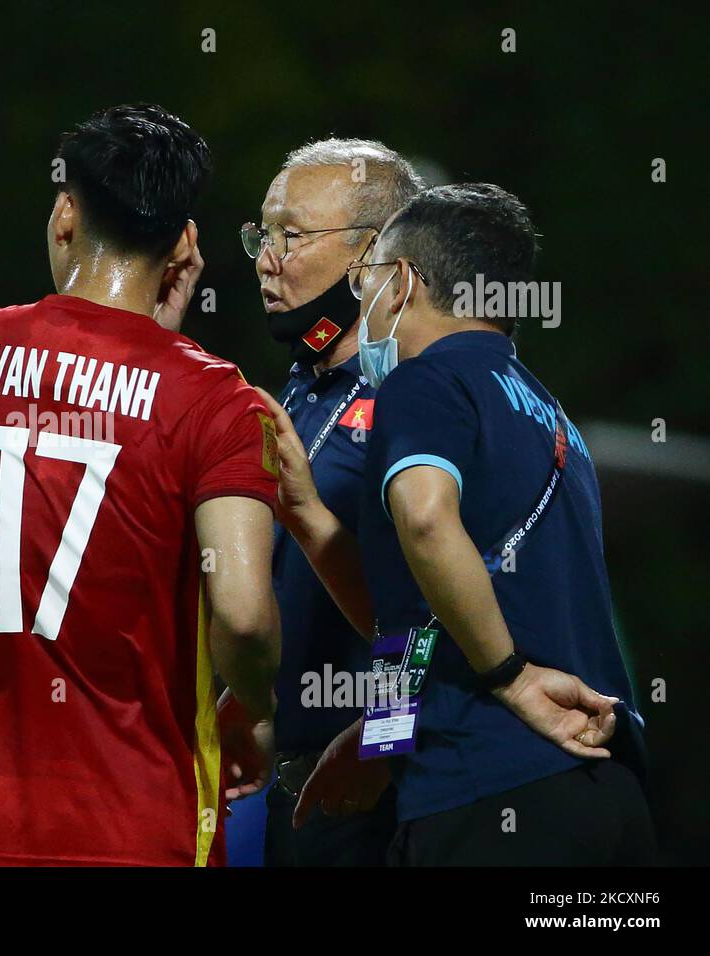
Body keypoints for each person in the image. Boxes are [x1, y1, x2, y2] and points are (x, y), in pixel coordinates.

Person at [0, 104, 281, 866]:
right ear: (185, 243)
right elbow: (239, 614)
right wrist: (259, 708)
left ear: (66, 212)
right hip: (131, 827)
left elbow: (73, 419)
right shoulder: (217, 403)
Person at [263, 183, 656, 865]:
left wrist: (509, 677)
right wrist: (377, 744)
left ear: (405, 281)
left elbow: (424, 521)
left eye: (374, 278)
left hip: (493, 793)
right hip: (608, 791)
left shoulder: (424, 382)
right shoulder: (551, 416)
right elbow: (417, 616)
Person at [237, 139, 423, 866]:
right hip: (302, 791)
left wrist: (384, 746)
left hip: (380, 798)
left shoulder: (411, 393)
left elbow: (426, 605)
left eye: (292, 233)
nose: (265, 257)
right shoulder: (303, 386)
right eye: (261, 233)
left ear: (367, 254)